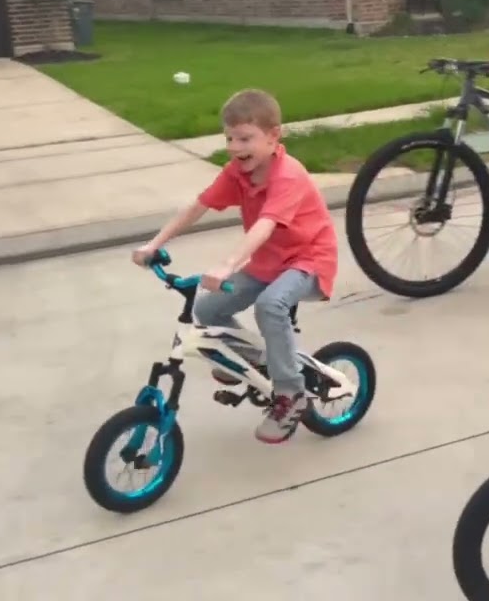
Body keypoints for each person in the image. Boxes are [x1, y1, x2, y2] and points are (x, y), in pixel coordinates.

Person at [132, 89, 339, 445]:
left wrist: (228, 265)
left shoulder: (288, 176)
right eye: (229, 138)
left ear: (274, 137)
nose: (234, 147)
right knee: (208, 309)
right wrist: (155, 244)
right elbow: (198, 207)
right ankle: (256, 360)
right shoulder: (237, 173)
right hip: (268, 263)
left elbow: (266, 225)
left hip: (309, 260)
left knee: (270, 305)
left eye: (245, 138)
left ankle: (291, 394)